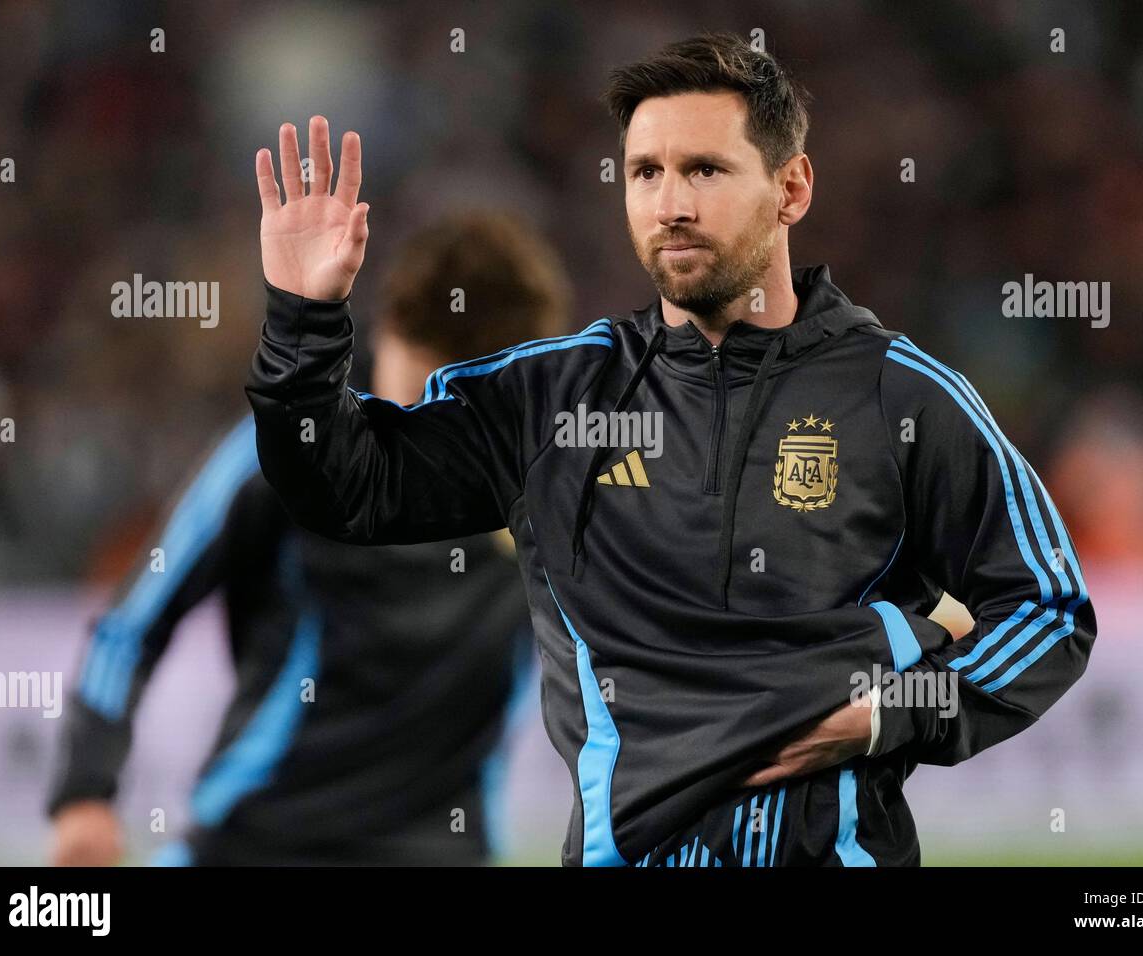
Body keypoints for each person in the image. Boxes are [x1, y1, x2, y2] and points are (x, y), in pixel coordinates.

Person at [245, 32, 1096, 867]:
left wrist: (891, 715)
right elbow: (346, 486)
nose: (671, 204)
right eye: (645, 172)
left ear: (792, 188)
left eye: (705, 171)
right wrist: (303, 321)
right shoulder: (553, 400)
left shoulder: (901, 397)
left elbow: (1048, 610)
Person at [48, 210, 570, 866]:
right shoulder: (285, 452)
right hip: (253, 848)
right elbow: (133, 623)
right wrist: (84, 793)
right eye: (420, 385)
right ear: (385, 331)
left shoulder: (560, 482)